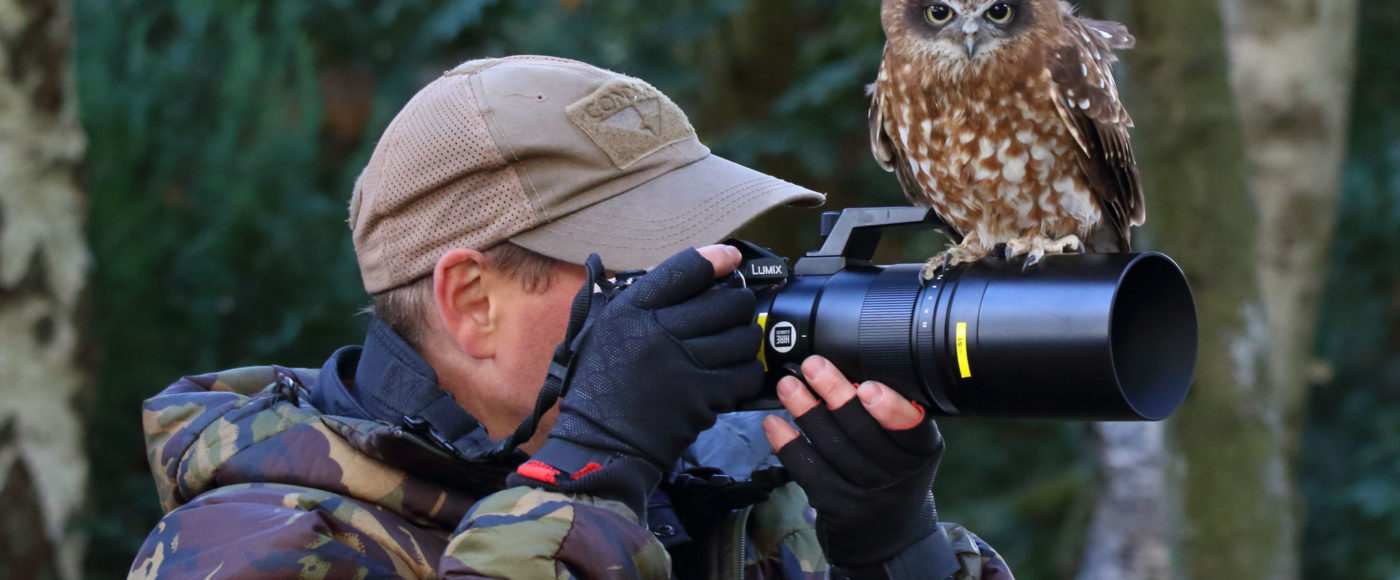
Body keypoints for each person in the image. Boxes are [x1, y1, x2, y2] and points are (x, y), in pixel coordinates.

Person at [128, 55, 1013, 579]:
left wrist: (896, 548)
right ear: (471, 302)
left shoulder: (731, 510)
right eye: (646, 271)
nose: (704, 296)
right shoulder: (246, 547)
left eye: (710, 256)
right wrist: (592, 477)